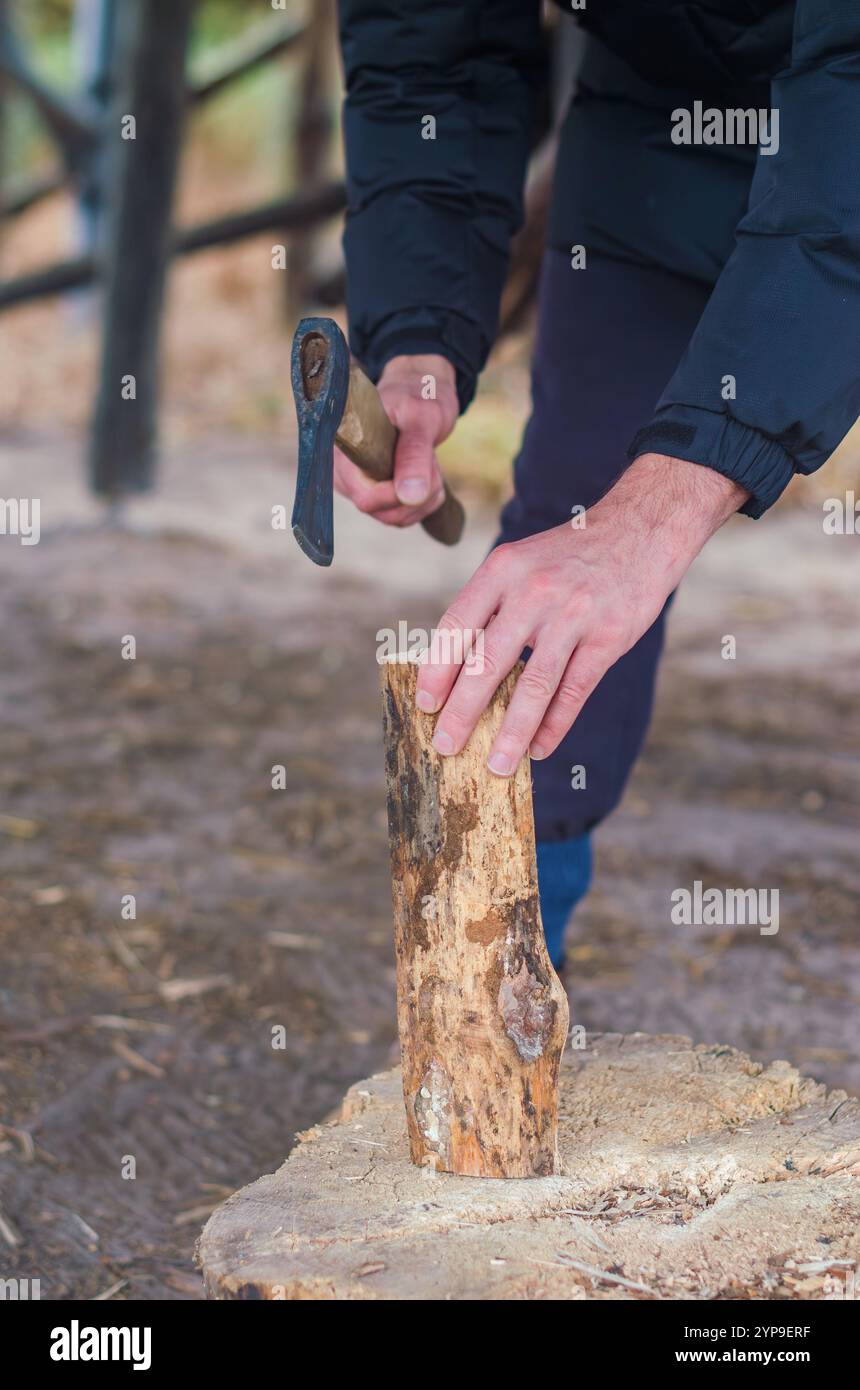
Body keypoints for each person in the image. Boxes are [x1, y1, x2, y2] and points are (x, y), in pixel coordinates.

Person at [333, 0, 860, 967]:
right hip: (664, 108)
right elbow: (427, 58)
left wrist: (665, 505)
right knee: (568, 546)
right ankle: (511, 981)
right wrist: (418, 333)